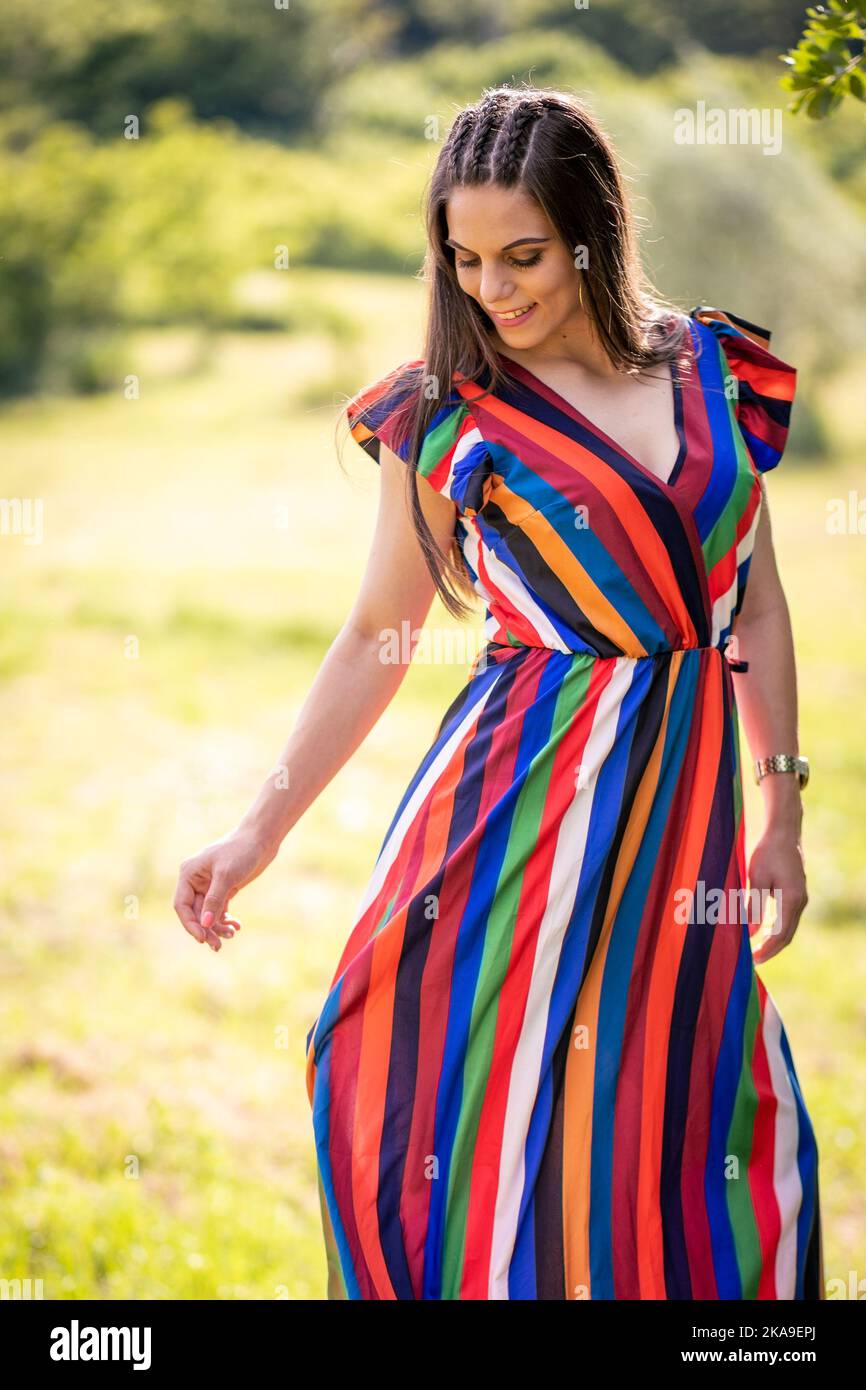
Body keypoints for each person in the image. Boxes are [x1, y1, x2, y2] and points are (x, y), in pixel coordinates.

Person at [174, 85, 823, 1301]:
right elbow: (380, 627)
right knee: (439, 1100)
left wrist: (779, 808)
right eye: (464, 260)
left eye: (523, 255)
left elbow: (757, 604)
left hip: (680, 829)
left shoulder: (711, 373)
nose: (494, 290)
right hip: (510, 811)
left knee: (694, 1121)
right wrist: (257, 824)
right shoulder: (443, 412)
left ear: (593, 229)